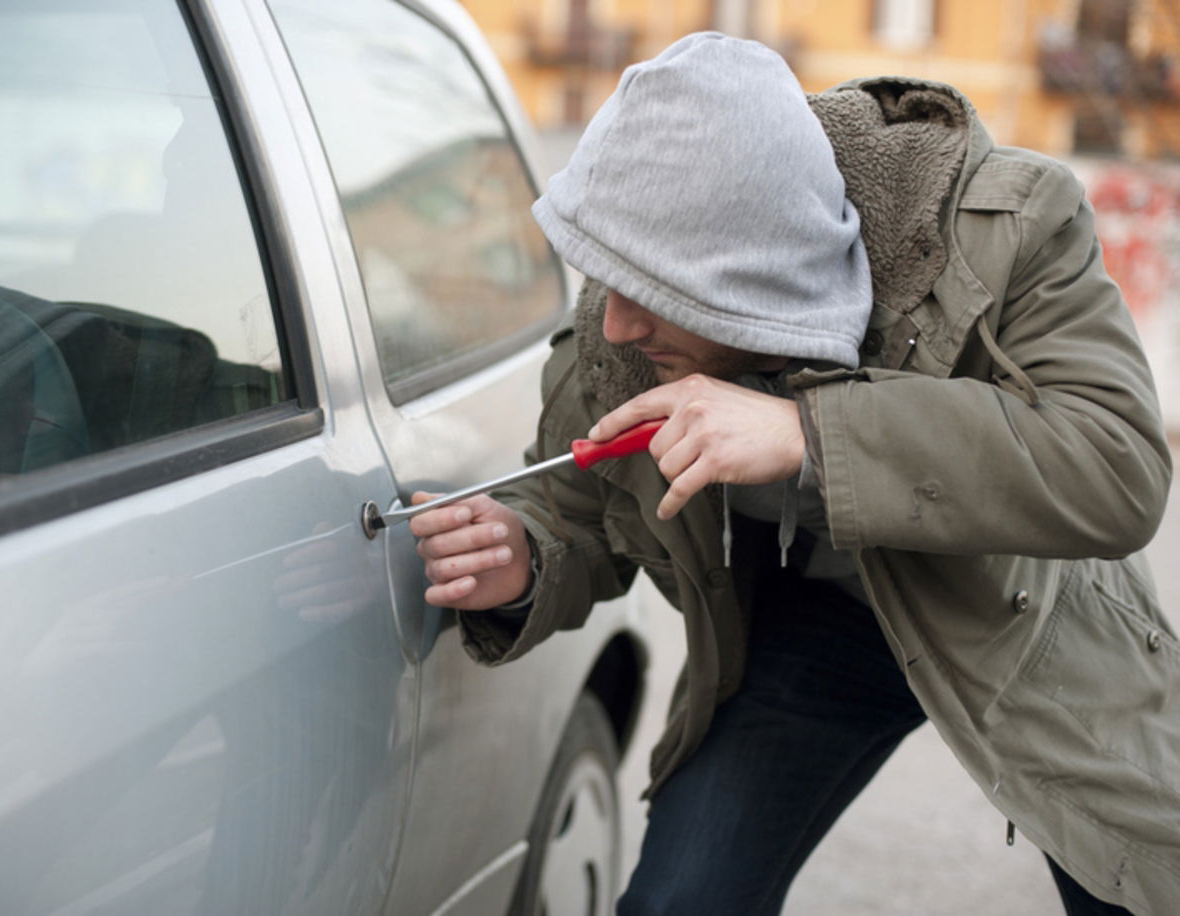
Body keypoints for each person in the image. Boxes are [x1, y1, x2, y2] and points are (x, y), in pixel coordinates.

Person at [410, 33, 1176, 915]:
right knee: (680, 901)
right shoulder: (620, 333)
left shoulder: (1010, 226)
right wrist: (525, 552)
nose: (615, 325)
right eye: (606, 279)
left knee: (1145, 888)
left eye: (651, 291)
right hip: (822, 630)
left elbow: (1116, 464)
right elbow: (581, 507)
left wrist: (807, 432)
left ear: (754, 276)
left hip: (1026, 614)